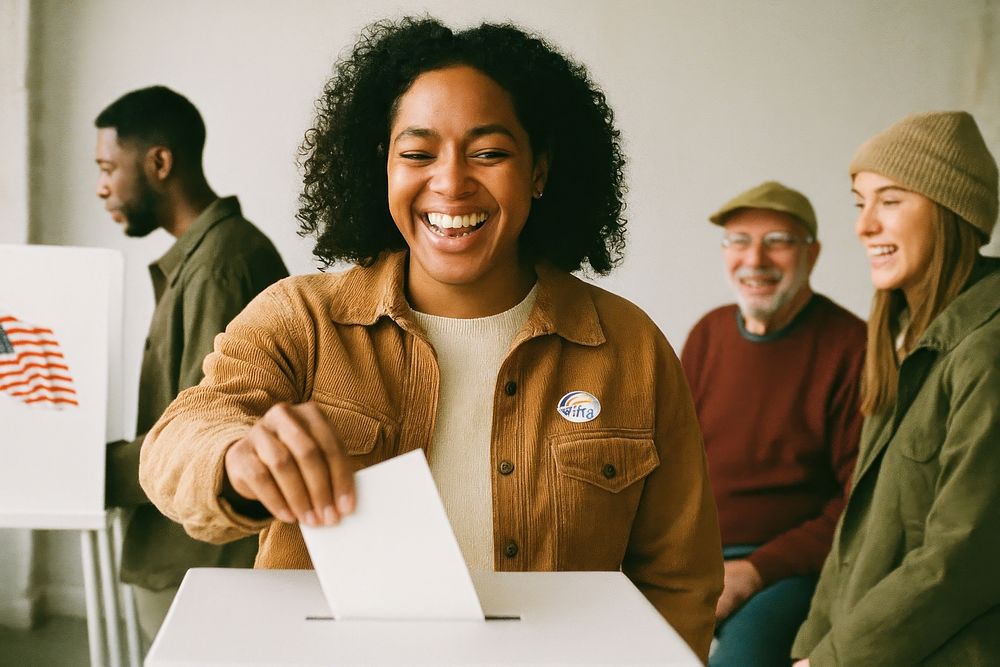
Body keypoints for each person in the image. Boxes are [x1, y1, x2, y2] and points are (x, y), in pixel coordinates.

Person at [137, 17, 723, 661]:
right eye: (417, 154)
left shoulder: (629, 348)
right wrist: (239, 457)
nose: (450, 182)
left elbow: (679, 580)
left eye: (489, 152)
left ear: (540, 172)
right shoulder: (302, 319)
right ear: (382, 169)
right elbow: (180, 438)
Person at [791, 111, 1000, 665]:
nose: (863, 227)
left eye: (890, 200)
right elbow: (853, 543)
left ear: (950, 210)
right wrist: (811, 648)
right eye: (861, 203)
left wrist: (833, 659)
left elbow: (962, 560)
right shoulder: (903, 345)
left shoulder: (987, 351)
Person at [95, 85, 288, 642]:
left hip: (201, 559)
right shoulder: (215, 255)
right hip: (195, 551)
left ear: (158, 163)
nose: (101, 186)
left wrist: (79, 470)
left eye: (109, 166)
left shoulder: (218, 267)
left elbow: (200, 432)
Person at [680, 181, 865, 666]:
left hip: (788, 571)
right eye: (739, 241)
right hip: (694, 559)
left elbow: (860, 505)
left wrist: (754, 572)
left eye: (778, 241)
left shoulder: (854, 347)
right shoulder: (709, 333)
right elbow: (670, 463)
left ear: (813, 254)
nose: (755, 259)